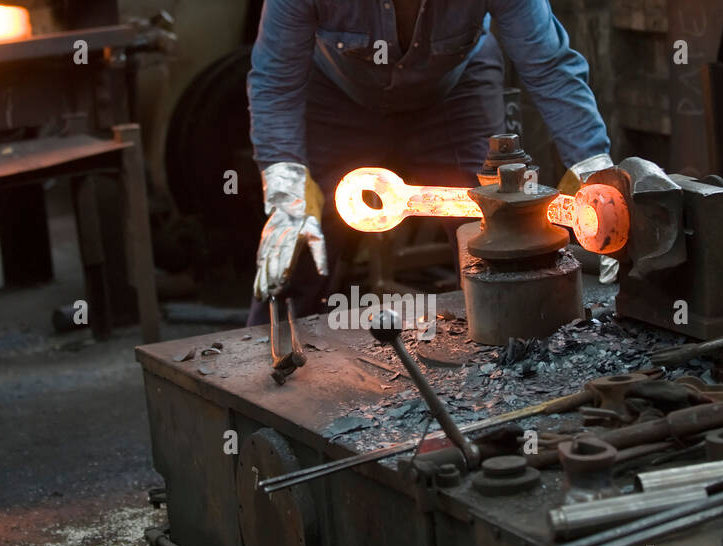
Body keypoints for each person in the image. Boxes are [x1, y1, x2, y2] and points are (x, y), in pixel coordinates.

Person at [246, 0, 614, 325]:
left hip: (456, 94)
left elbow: (547, 65)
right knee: (300, 238)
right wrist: (285, 185)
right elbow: (275, 81)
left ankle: (514, 347)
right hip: (335, 100)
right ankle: (263, 363)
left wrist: (591, 165)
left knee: (495, 229)